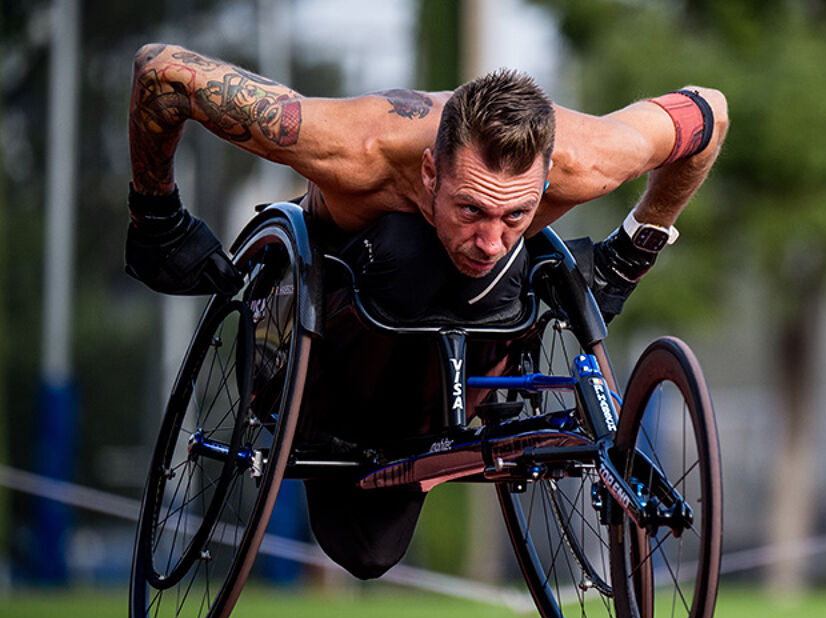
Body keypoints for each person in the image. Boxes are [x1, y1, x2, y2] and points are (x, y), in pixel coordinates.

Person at [125, 43, 728, 578]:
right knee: (408, 247)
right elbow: (162, 71)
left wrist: (635, 248)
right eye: (471, 209)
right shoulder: (360, 146)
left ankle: (439, 421)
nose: (489, 237)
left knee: (371, 550)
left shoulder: (586, 159)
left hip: (444, 372)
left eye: (515, 214)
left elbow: (712, 110)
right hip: (326, 351)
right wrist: (156, 217)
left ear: (546, 179)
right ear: (430, 170)